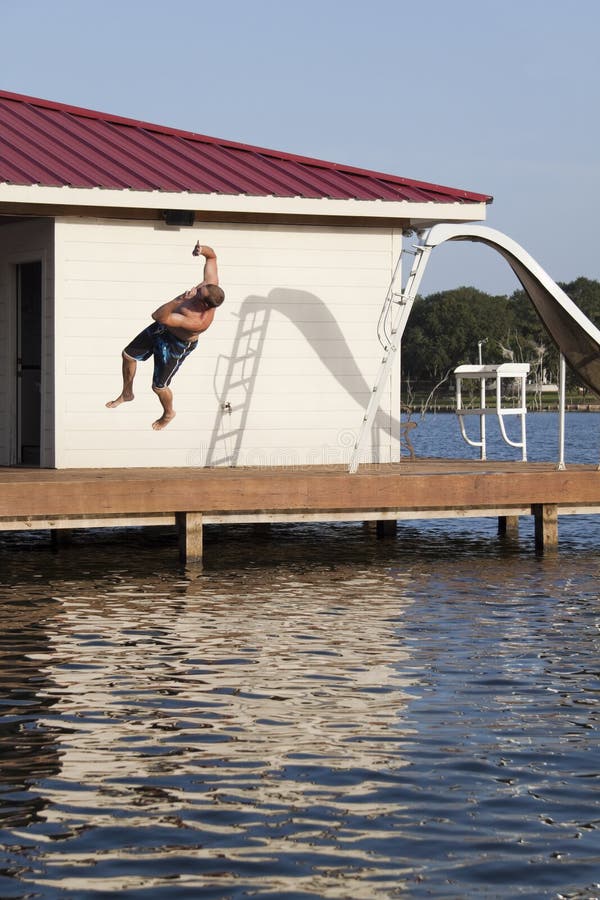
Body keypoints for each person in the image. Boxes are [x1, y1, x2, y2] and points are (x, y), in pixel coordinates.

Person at [106, 242, 224, 430]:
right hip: (163, 328)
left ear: (204, 304)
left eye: (198, 293)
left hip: (176, 344)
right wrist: (202, 251)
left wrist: (180, 299)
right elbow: (212, 257)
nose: (195, 291)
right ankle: (127, 393)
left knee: (158, 387)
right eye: (201, 287)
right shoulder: (211, 286)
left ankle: (168, 413)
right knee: (128, 356)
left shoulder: (198, 321)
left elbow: (159, 316)